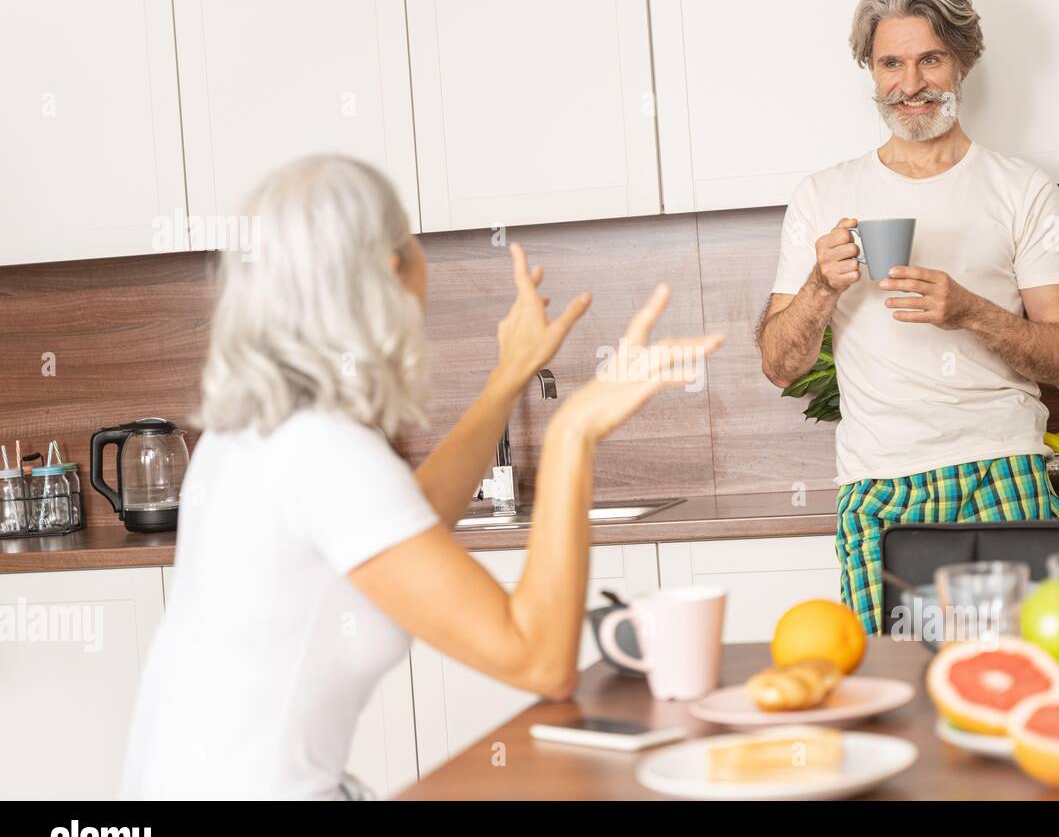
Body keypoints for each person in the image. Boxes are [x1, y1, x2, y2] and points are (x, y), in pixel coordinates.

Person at [120, 154, 722, 799]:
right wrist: (574, 431)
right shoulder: (320, 451)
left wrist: (506, 379)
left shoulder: (255, 433)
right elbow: (542, 662)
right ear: (389, 270)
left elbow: (406, 522)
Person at [757, 0, 1059, 636]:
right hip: (878, 484)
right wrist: (822, 285)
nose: (912, 83)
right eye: (891, 63)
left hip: (1003, 470)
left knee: (1029, 674)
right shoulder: (824, 195)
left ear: (961, 62)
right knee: (892, 693)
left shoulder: (1023, 190)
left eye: (930, 59)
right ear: (871, 73)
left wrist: (972, 311)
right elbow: (779, 365)